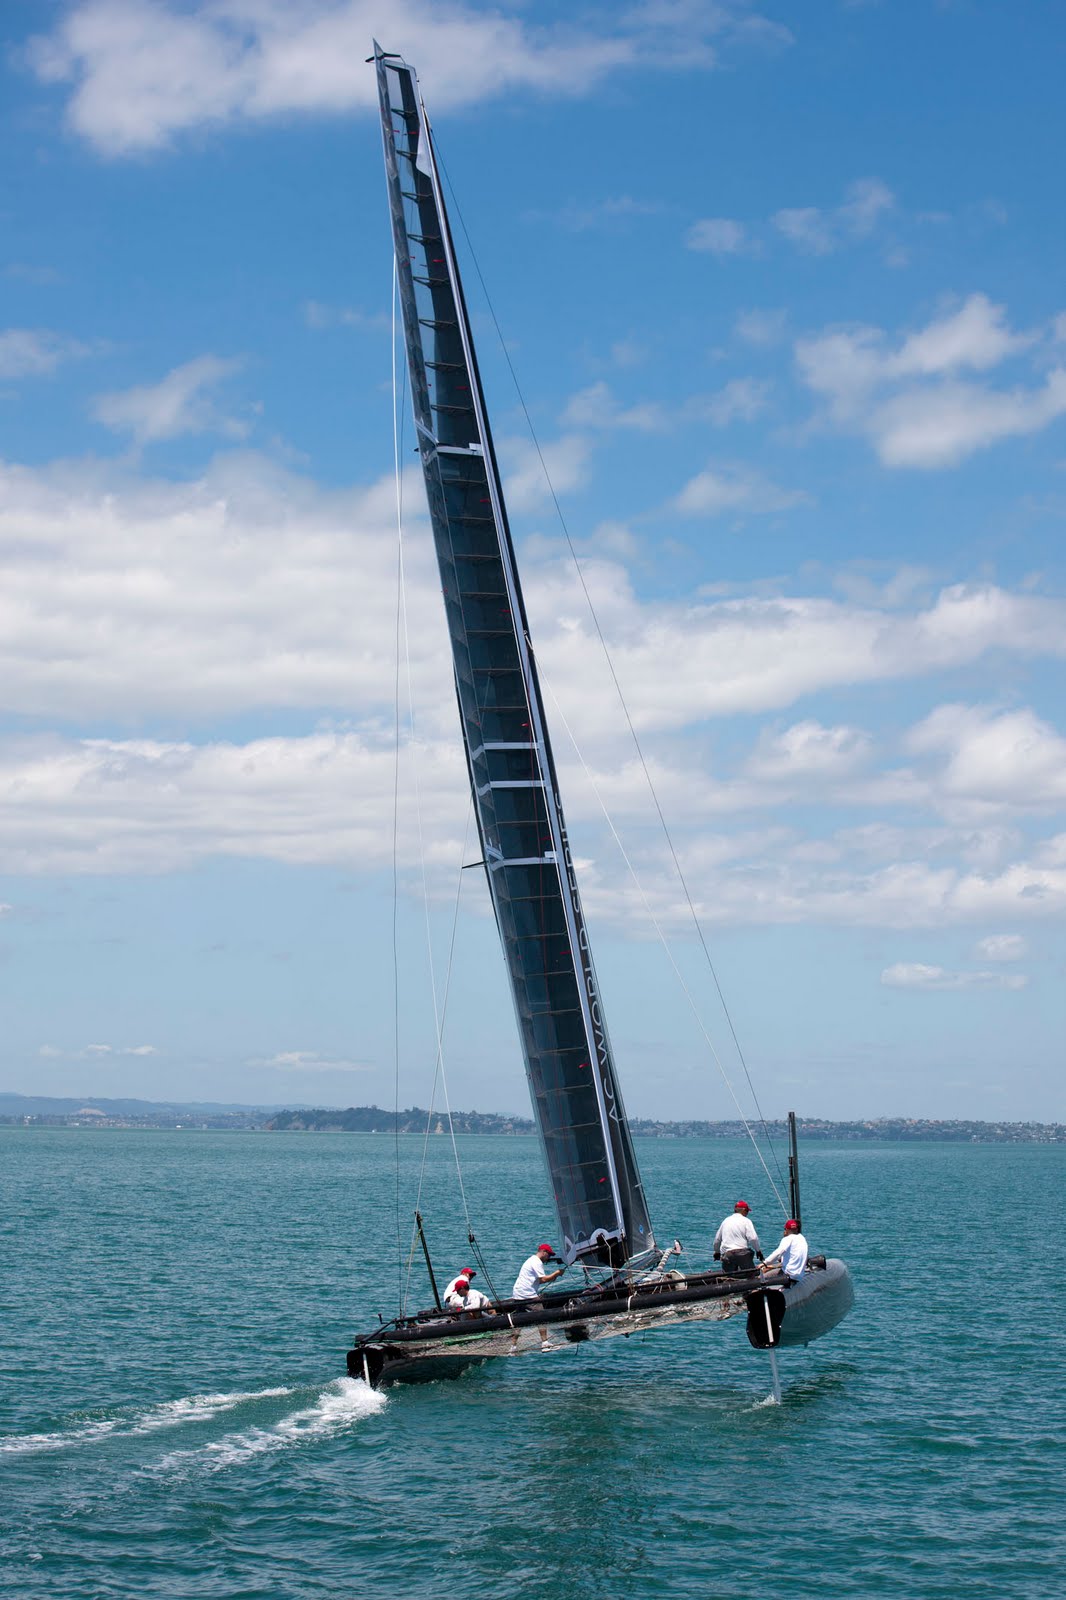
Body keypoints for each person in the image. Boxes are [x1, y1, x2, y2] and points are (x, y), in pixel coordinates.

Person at [511, 1244, 565, 1350]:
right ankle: (545, 1343)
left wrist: (552, 1277)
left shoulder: (531, 1260)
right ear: (544, 1252)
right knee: (542, 1316)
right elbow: (544, 1279)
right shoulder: (537, 1262)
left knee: (519, 1320)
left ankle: (513, 1346)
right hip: (527, 1295)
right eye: (549, 1255)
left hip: (518, 1294)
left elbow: (539, 1280)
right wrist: (557, 1273)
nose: (548, 1258)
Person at [712, 1200, 764, 1275]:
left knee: (728, 1278)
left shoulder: (726, 1221)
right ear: (743, 1210)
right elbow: (753, 1238)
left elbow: (717, 1239)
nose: (747, 1213)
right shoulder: (746, 1221)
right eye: (747, 1211)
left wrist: (717, 1252)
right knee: (751, 1276)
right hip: (742, 1254)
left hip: (728, 1254)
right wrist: (758, 1251)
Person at [761, 1219, 808, 1284]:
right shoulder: (802, 1238)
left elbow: (778, 1253)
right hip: (799, 1276)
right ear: (797, 1229)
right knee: (769, 1268)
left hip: (788, 1275)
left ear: (786, 1229)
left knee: (762, 1277)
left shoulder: (787, 1239)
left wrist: (765, 1263)